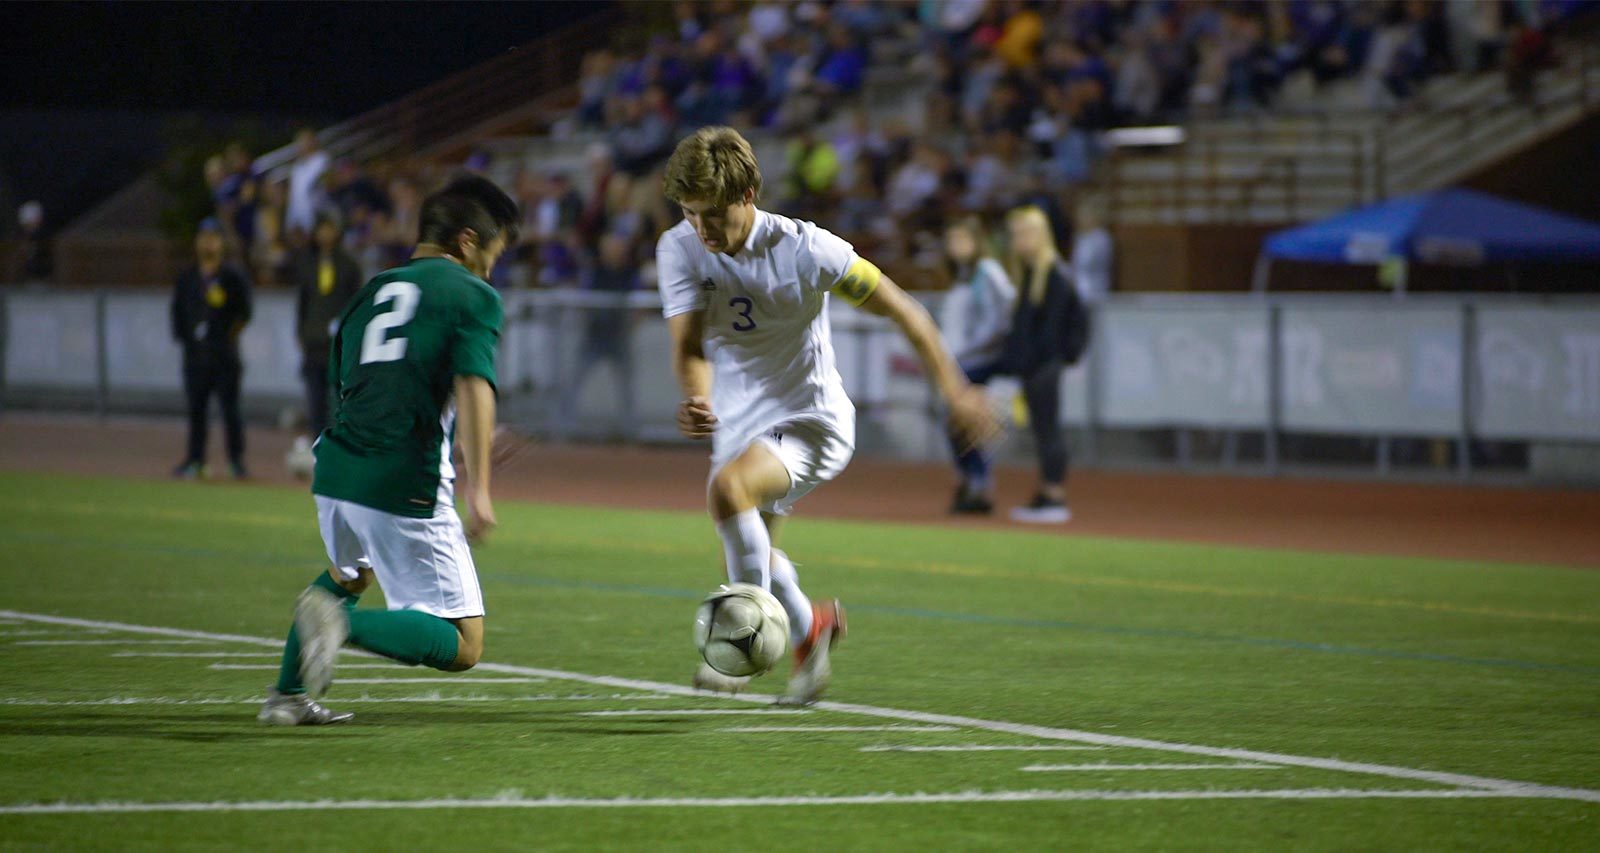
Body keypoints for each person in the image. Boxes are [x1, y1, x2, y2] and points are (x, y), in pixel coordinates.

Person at [656, 127, 997, 704]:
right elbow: (689, 346)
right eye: (690, 213)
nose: (702, 228)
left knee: (730, 491)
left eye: (712, 213)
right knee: (752, 549)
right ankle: (810, 630)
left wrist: (955, 388)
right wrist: (697, 397)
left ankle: (745, 644)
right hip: (739, 422)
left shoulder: (807, 249)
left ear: (748, 195)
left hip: (812, 418)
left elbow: (905, 310)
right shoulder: (679, 248)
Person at [258, 175, 518, 726]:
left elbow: (350, 383)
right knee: (463, 641)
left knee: (349, 576)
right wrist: (480, 490)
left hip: (337, 466)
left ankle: (286, 697)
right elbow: (474, 384)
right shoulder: (472, 295)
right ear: (467, 241)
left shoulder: (370, 292)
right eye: (492, 255)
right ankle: (340, 626)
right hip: (401, 477)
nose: (491, 271)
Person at [1001, 206, 1090, 524]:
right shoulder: (1030, 274)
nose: (1018, 241)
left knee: (1049, 428)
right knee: (1042, 429)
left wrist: (1053, 357)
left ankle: (1054, 495)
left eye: (1024, 233)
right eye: (1015, 235)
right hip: (1034, 365)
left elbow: (1063, 326)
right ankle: (1046, 491)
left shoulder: (1054, 274)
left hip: (1044, 365)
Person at [937, 218, 1016, 515]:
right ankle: (969, 480)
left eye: (961, 239)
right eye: (951, 240)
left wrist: (970, 350)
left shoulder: (987, 272)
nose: (955, 246)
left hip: (978, 361)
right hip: (959, 362)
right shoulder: (962, 275)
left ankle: (978, 483)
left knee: (969, 422)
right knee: (957, 424)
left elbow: (1001, 317)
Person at [170, 219, 252, 480]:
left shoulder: (232, 276)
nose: (208, 243)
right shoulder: (187, 277)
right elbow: (177, 312)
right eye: (203, 237)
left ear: (221, 243)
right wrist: (188, 340)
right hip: (195, 357)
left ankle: (236, 462)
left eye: (213, 237)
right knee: (196, 410)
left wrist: (226, 338)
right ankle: (195, 460)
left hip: (225, 356)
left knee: (231, 410)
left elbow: (244, 313)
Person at [292, 210, 363, 441]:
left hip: (338, 344)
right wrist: (301, 332)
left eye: (330, 228)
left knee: (339, 398)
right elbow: (302, 301)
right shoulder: (307, 263)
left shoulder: (349, 264)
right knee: (315, 398)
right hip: (313, 341)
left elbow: (356, 303)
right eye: (321, 228)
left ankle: (339, 444)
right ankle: (318, 443)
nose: (325, 234)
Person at [561, 233, 640, 440]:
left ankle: (629, 428)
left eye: (618, 249)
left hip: (618, 337)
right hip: (594, 336)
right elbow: (583, 298)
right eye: (610, 249)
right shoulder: (594, 271)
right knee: (574, 378)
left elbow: (638, 303)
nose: (614, 253)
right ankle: (564, 424)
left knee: (626, 384)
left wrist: (631, 323)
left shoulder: (629, 272)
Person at [284, 129, 330, 240]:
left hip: (317, 212)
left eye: (305, 141)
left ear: (313, 141)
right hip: (297, 214)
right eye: (300, 142)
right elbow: (294, 195)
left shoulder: (322, 159)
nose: (302, 145)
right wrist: (290, 219)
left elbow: (324, 182)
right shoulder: (296, 167)